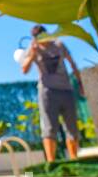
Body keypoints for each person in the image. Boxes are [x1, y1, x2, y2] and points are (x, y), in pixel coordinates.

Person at [19, 24, 82, 163]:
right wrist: (33, 53)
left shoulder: (59, 45)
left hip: (66, 89)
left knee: (72, 126)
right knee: (49, 127)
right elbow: (24, 69)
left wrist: (80, 83)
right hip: (47, 92)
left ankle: (74, 158)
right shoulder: (32, 48)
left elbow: (72, 63)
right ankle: (51, 162)